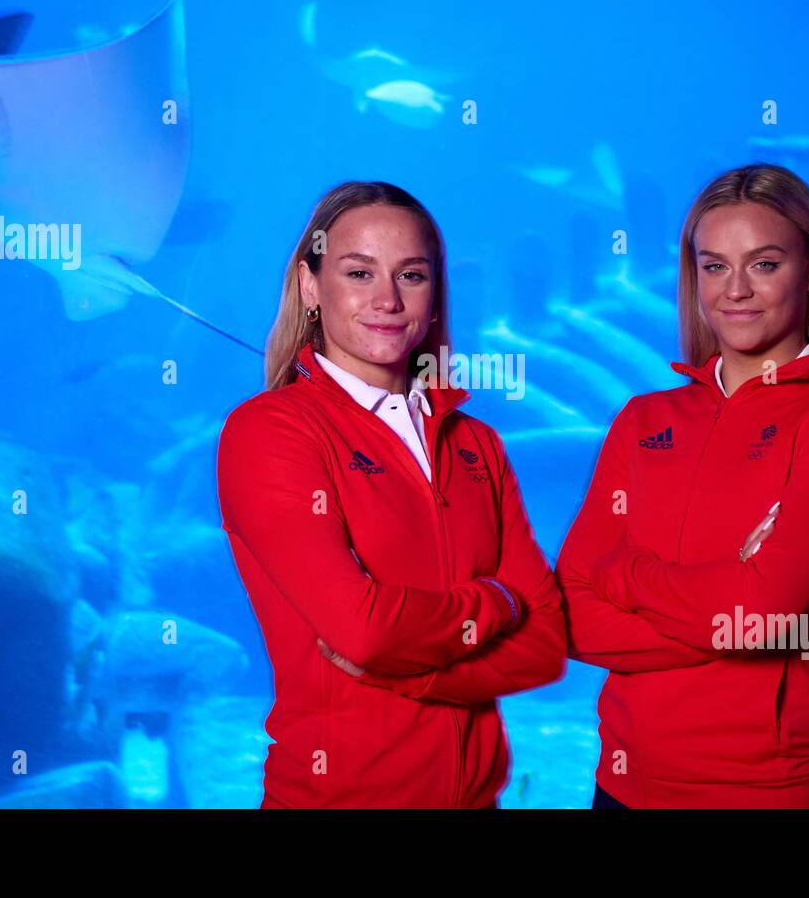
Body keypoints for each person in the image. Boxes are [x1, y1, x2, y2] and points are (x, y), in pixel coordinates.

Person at [557, 163, 809, 808]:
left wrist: (626, 574)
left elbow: (765, 613)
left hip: (767, 793)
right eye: (714, 266)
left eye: (764, 264)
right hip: (620, 790)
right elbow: (569, 613)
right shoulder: (644, 420)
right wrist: (727, 613)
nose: (735, 290)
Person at [217, 180, 565, 808]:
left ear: (436, 296)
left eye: (411, 275)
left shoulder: (475, 444)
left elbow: (543, 646)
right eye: (358, 272)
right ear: (310, 287)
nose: (387, 299)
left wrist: (427, 673)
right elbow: (363, 630)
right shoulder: (269, 433)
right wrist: (495, 605)